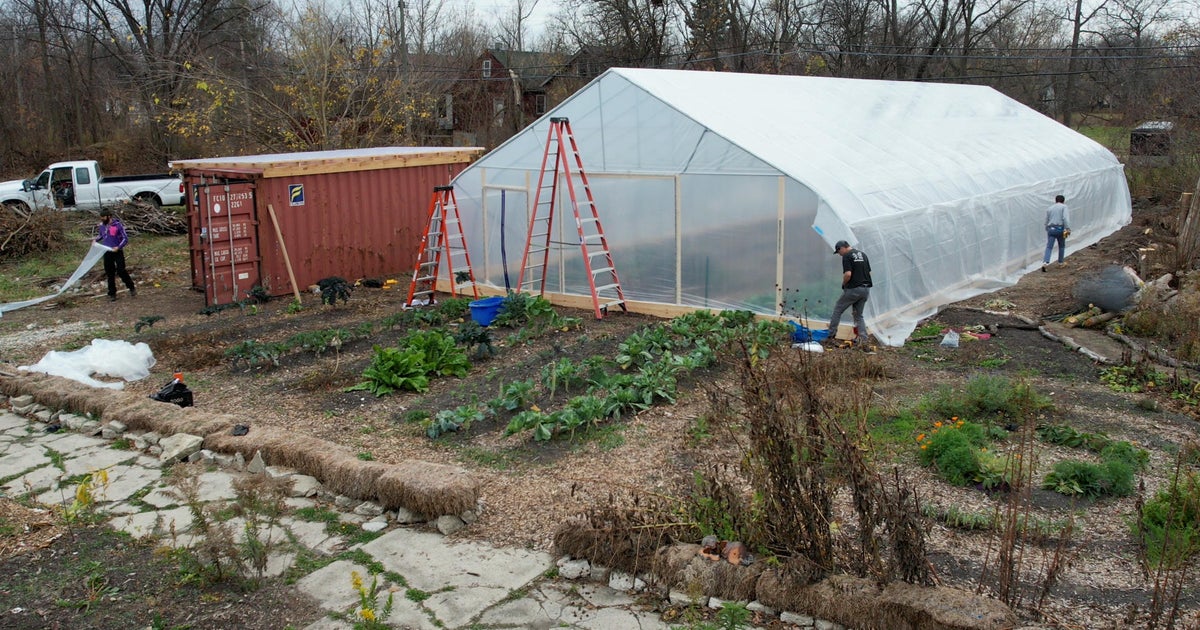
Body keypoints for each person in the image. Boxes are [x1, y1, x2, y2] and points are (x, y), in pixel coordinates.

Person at [828, 240, 872, 346]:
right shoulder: (863, 254)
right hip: (866, 289)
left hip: (854, 289)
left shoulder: (847, 256)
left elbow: (848, 274)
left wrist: (844, 284)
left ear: (842, 248)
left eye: (838, 252)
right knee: (858, 315)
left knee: (838, 309)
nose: (839, 254)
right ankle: (864, 340)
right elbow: (869, 273)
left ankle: (830, 336)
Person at [95, 209, 137, 301]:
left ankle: (131, 287)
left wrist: (118, 247)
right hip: (107, 251)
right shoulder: (102, 226)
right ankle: (112, 293)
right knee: (110, 272)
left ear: (109, 216)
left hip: (117, 251)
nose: (102, 219)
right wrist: (95, 240)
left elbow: (125, 238)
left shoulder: (118, 225)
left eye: (103, 217)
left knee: (121, 270)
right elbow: (101, 235)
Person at [1042, 194, 1071, 271]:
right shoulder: (1064, 207)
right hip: (1060, 229)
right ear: (1063, 201)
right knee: (1061, 246)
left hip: (1051, 229)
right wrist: (1067, 228)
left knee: (1049, 247)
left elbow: (1046, 220)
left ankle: (1045, 262)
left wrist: (1047, 228)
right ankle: (1060, 262)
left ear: (1055, 200)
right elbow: (1065, 218)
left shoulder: (1050, 208)